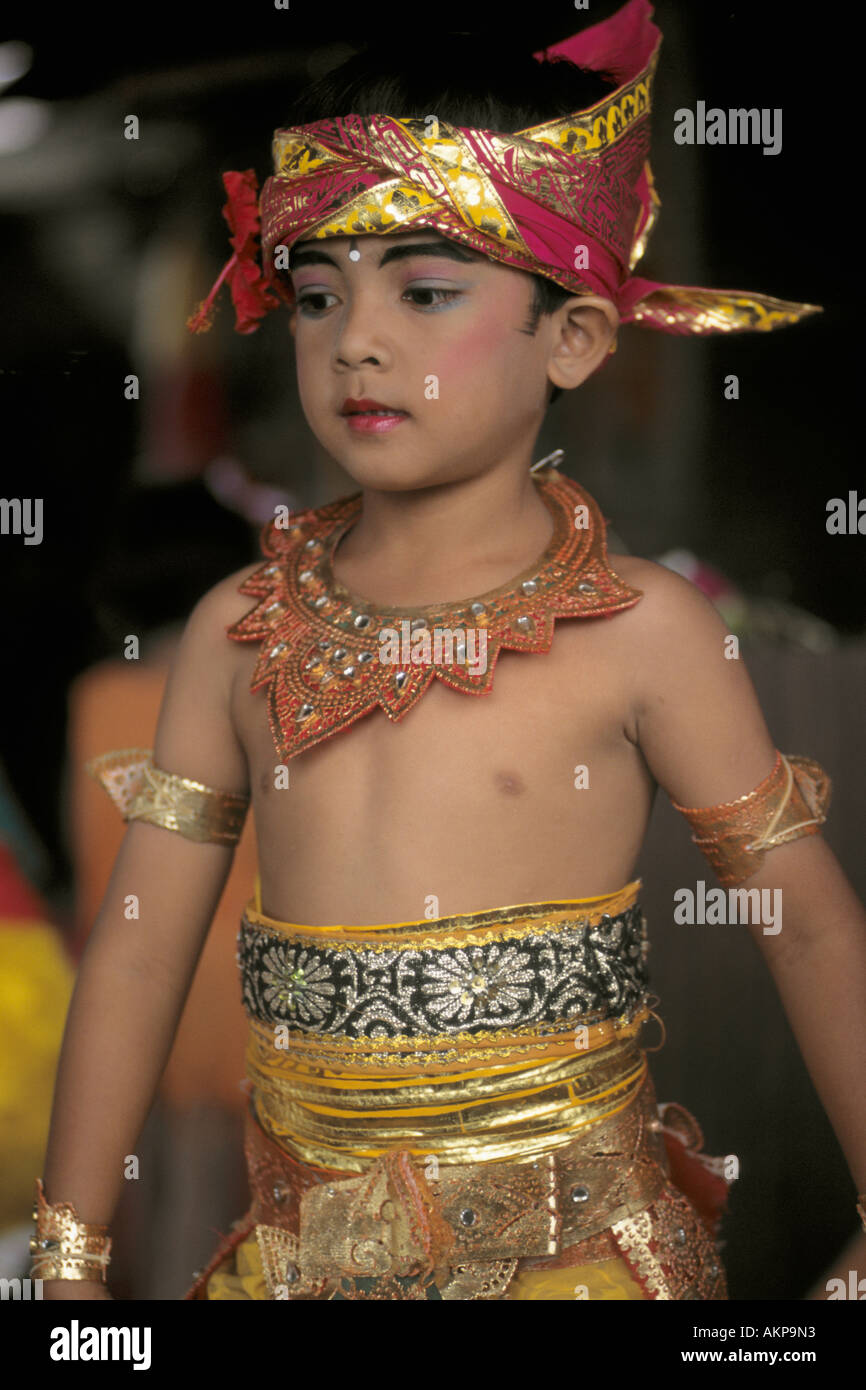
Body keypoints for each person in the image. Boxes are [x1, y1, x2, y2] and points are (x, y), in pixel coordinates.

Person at [33, 0, 866, 1301]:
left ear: (574, 335)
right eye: (316, 295)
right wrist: (69, 1268)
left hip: (570, 1263)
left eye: (425, 290)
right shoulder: (230, 633)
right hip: (295, 1263)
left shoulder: (640, 630)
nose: (357, 337)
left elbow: (808, 928)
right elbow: (139, 947)